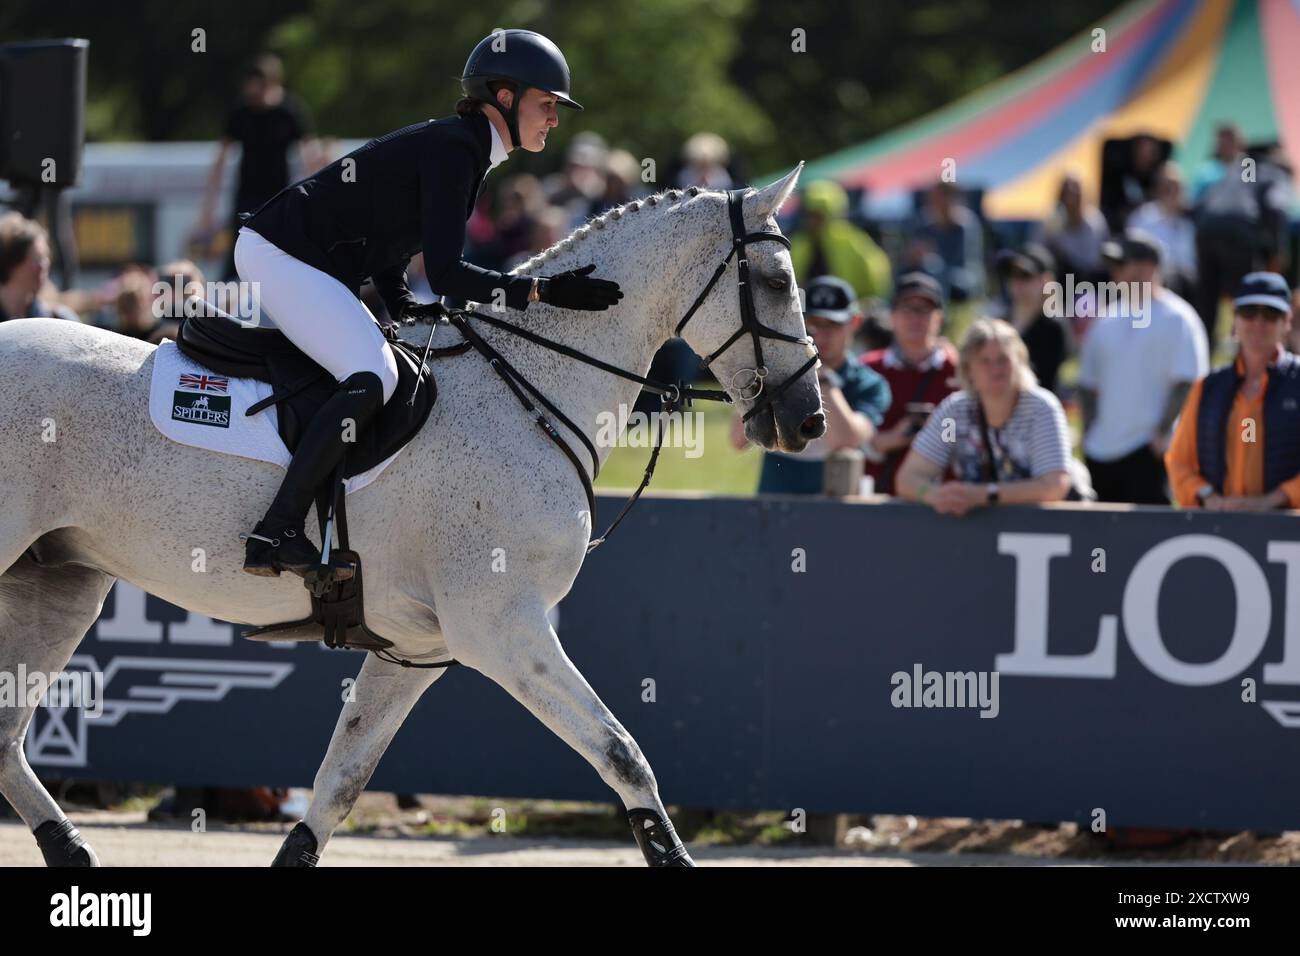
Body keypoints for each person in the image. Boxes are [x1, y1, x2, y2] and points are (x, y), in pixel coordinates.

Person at [231, 30, 623, 577]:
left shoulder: (468, 148)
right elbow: (446, 275)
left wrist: (398, 301)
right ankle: (276, 531)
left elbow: (392, 232)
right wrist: (542, 291)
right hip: (281, 252)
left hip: (310, 257)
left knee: (388, 365)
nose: (554, 119)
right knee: (371, 374)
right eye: (546, 104)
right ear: (504, 97)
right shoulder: (458, 148)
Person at [1078, 232, 1208, 504]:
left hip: (1148, 453)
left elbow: (1188, 382)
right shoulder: (1106, 318)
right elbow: (1088, 383)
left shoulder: (1178, 318)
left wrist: (1161, 434)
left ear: (1147, 268)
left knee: (1147, 539)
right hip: (1101, 452)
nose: (1115, 273)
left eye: (1121, 264)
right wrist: (1090, 434)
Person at [732, 276, 890, 494]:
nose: (821, 335)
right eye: (812, 323)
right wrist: (764, 373)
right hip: (772, 508)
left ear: (854, 323)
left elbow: (846, 441)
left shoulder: (869, 384)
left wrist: (820, 377)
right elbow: (739, 439)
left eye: (832, 325)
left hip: (835, 511)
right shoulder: (777, 374)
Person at [897, 319, 1073, 514]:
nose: (995, 369)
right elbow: (908, 478)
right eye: (984, 361)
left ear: (1020, 363)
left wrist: (984, 495)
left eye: (1003, 359)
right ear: (968, 369)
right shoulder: (953, 415)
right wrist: (933, 495)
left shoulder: (1042, 409)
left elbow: (1054, 486)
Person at [1166, 273, 1300, 511]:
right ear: (1234, 320)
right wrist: (1208, 497)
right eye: (1249, 312)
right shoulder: (1208, 387)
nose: (1258, 323)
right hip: (1222, 529)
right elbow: (1178, 461)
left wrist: (1273, 500)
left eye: (1270, 314)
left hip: (1288, 532)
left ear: (1286, 322)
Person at [194, 53, 320, 281]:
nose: (255, 95)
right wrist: (209, 206)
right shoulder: (241, 112)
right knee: (238, 250)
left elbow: (310, 152)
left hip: (278, 197)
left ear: (273, 84)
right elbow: (220, 157)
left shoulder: (289, 111)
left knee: (279, 251)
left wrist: (313, 196)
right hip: (246, 196)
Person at [860, 273, 960, 495]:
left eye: (924, 310)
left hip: (944, 499)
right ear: (892, 317)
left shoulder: (961, 371)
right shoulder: (868, 368)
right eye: (907, 309)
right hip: (878, 497)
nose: (916, 318)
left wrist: (938, 434)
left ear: (939, 318)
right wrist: (887, 440)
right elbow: (845, 442)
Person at [790, 180, 891, 304]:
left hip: (846, 314)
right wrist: (798, 310)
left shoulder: (853, 242)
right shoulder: (798, 244)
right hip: (806, 312)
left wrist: (860, 308)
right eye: (808, 214)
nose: (812, 220)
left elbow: (875, 281)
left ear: (831, 213)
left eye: (817, 215)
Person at [994, 242, 1068, 395]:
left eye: (1025, 276)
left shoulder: (1053, 328)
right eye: (1012, 275)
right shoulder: (1000, 322)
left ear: (1046, 281)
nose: (1017, 283)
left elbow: (1042, 379)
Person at [1126, 162, 1197, 301]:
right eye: (1166, 187)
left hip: (1182, 291)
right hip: (1146, 286)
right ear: (1157, 189)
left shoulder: (1188, 226)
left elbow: (1191, 267)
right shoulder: (1142, 218)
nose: (1171, 192)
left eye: (1176, 187)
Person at [907, 180, 985, 302]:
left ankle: (941, 313)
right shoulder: (924, 223)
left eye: (942, 197)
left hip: (963, 277)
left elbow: (961, 261)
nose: (936, 203)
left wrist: (932, 257)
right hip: (932, 272)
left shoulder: (965, 225)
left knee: (936, 269)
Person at [0, 213, 80, 323]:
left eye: (44, 257)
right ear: (10, 263)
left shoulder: (59, 321)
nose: (43, 265)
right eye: (34, 258)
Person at [1033, 174, 1110, 285]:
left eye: (1076, 194)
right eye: (1066, 194)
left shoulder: (1095, 222)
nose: (1071, 200)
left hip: (1091, 283)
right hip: (1058, 284)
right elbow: (1036, 254)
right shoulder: (1050, 222)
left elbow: (1095, 263)